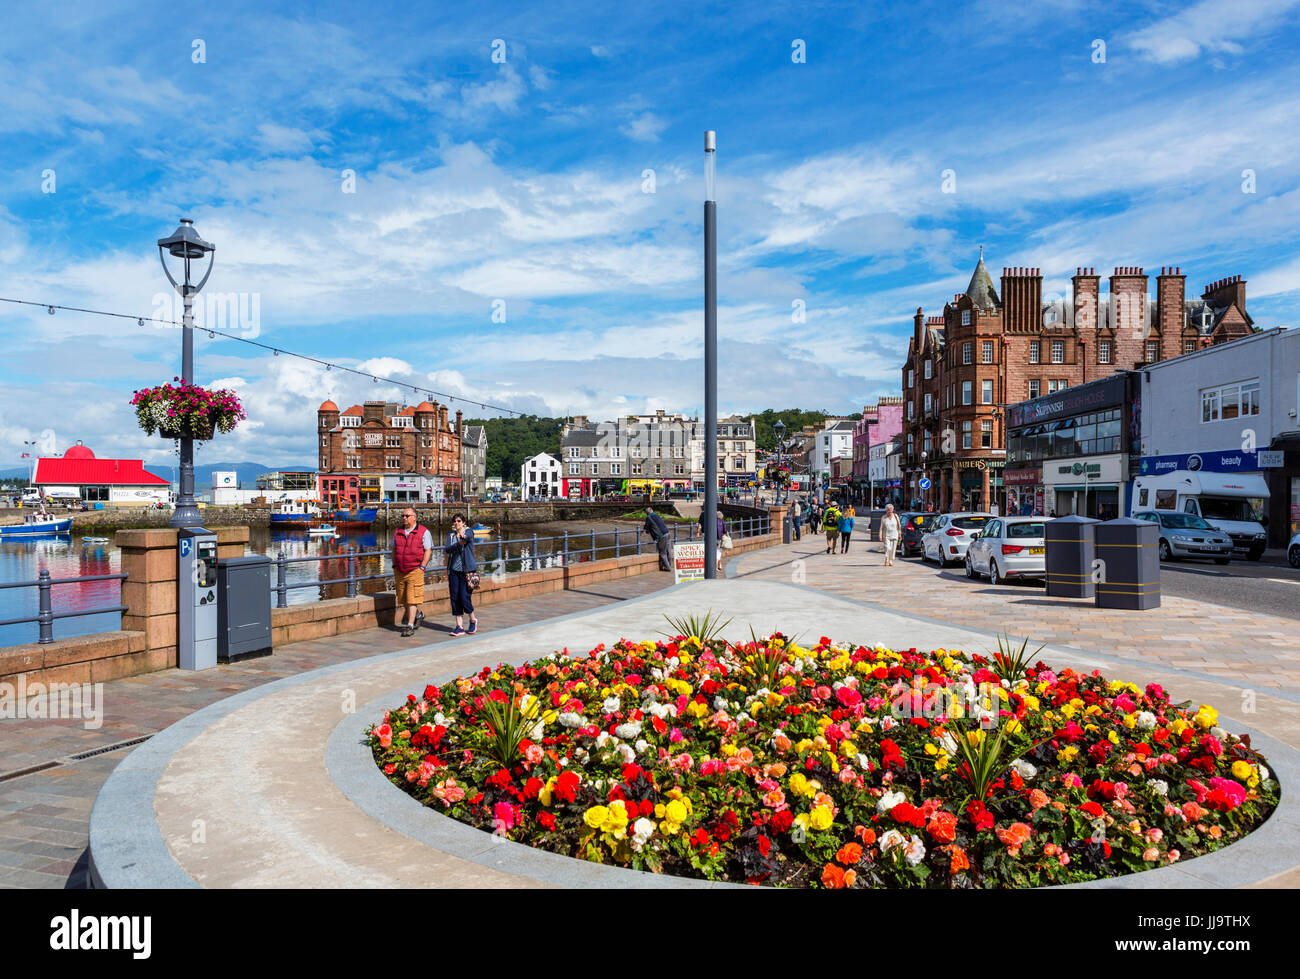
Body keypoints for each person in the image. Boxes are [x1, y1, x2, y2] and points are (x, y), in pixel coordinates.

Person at [392, 507, 432, 638]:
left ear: (414, 517)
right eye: (403, 516)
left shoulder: (423, 532)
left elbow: (428, 550)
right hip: (400, 570)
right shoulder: (398, 531)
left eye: (407, 516)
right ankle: (418, 615)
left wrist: (422, 566)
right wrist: (394, 565)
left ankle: (410, 625)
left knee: (412, 598)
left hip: (415, 569)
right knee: (403, 598)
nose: (404, 518)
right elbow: (394, 549)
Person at [445, 513, 478, 637]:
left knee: (464, 597)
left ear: (463, 522)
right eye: (454, 521)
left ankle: (473, 619)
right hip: (453, 571)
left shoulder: (469, 531)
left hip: (467, 571)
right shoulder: (451, 535)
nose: (456, 523)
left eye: (459, 521)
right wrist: (458, 543)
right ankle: (459, 626)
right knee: (455, 598)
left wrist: (463, 537)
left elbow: (468, 538)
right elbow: (447, 549)